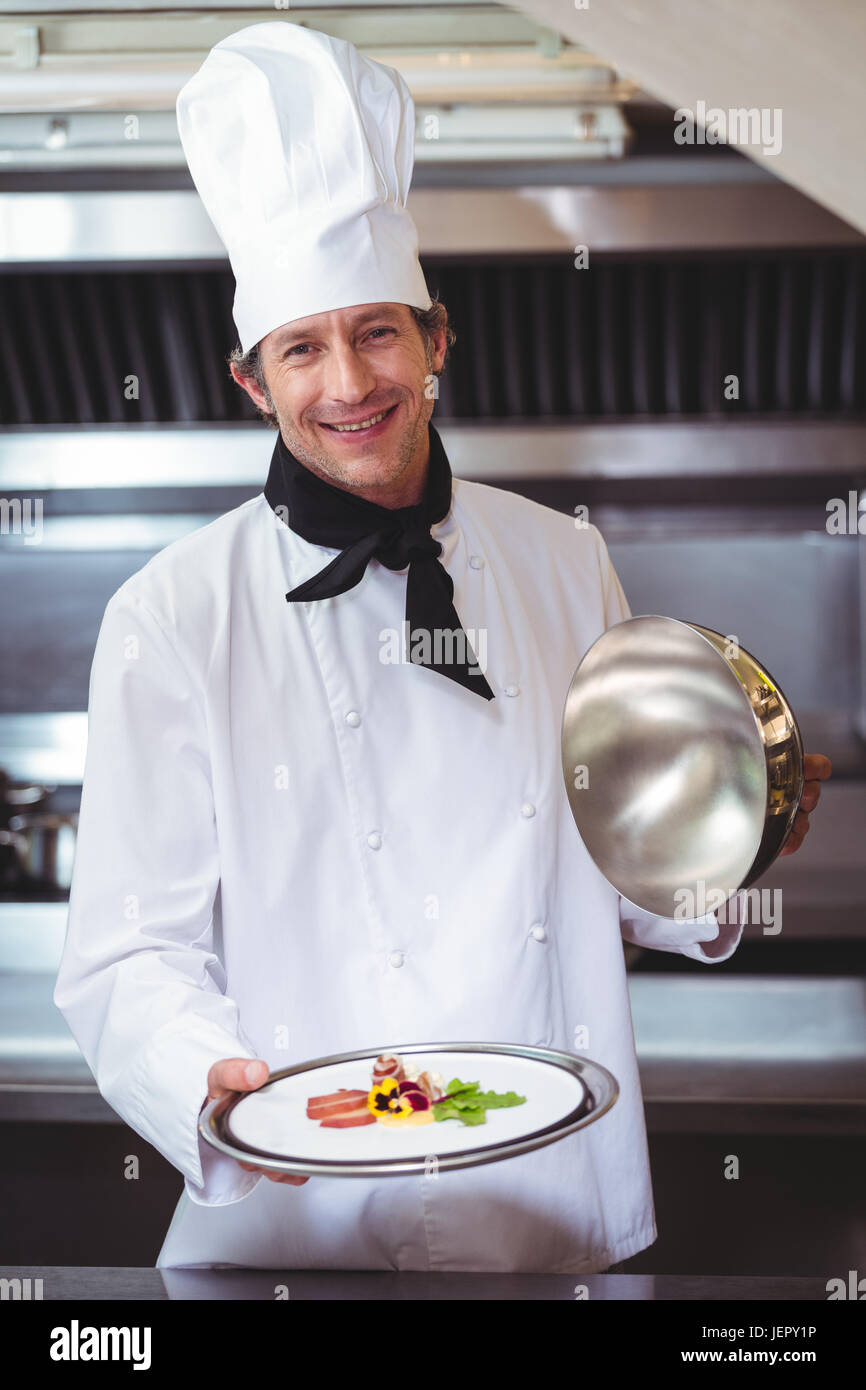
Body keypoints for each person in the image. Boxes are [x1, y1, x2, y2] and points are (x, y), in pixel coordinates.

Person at [54, 22, 829, 1272]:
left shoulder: (559, 561)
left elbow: (623, 864)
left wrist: (727, 829)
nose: (347, 380)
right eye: (301, 347)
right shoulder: (171, 613)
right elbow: (129, 954)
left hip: (546, 1207)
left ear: (436, 341)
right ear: (253, 382)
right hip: (289, 1221)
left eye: (377, 331)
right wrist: (213, 1081)